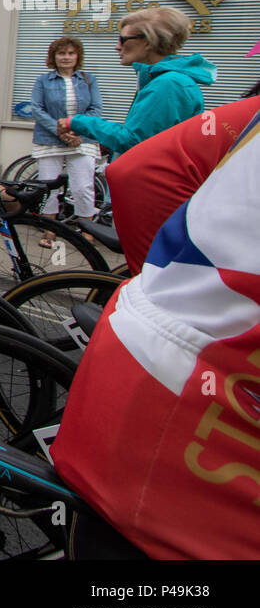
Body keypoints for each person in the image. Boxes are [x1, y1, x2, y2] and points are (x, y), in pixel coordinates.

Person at [50, 106, 260, 559]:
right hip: (193, 408)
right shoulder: (171, 85)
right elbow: (136, 159)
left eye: (127, 37)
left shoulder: (171, 85)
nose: (120, 47)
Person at [104, 95, 260, 275]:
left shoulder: (172, 81)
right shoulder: (171, 82)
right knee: (166, 285)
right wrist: (76, 123)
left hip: (161, 173)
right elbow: (130, 137)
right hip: (156, 181)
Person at [60, 5, 215, 161]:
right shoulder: (163, 81)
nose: (117, 47)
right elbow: (150, 136)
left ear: (148, 42)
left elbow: (133, 140)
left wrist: (76, 122)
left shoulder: (168, 85)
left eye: (123, 39)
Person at [29, 37, 102, 247]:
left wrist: (77, 131)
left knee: (83, 187)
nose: (66, 57)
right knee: (49, 187)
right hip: (49, 139)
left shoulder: (89, 79)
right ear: (53, 57)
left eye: (71, 53)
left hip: (82, 139)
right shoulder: (43, 81)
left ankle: (86, 231)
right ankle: (50, 229)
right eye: (61, 53)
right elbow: (37, 109)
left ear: (77, 56)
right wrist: (61, 132)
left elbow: (95, 109)